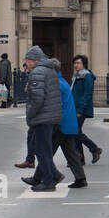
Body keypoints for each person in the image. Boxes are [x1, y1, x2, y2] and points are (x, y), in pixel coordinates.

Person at [25, 63, 87, 189]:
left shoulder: (56, 84)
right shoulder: (61, 81)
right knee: (70, 152)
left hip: (60, 123)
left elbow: (53, 105)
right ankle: (81, 179)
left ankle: (40, 178)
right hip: (69, 122)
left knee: (45, 151)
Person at [23, 45, 62, 191]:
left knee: (41, 149)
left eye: (26, 60)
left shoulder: (37, 72)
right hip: (50, 115)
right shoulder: (49, 69)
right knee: (43, 148)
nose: (26, 64)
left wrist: (30, 113)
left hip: (42, 116)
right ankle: (53, 175)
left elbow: (37, 98)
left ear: (32, 60)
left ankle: (48, 181)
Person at [70, 54, 103, 164]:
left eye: (78, 63)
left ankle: (94, 149)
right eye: (74, 63)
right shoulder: (77, 76)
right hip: (75, 108)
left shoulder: (87, 76)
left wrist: (80, 110)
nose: (76, 65)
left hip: (81, 109)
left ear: (84, 64)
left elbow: (87, 94)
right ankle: (80, 158)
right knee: (76, 132)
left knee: (75, 132)